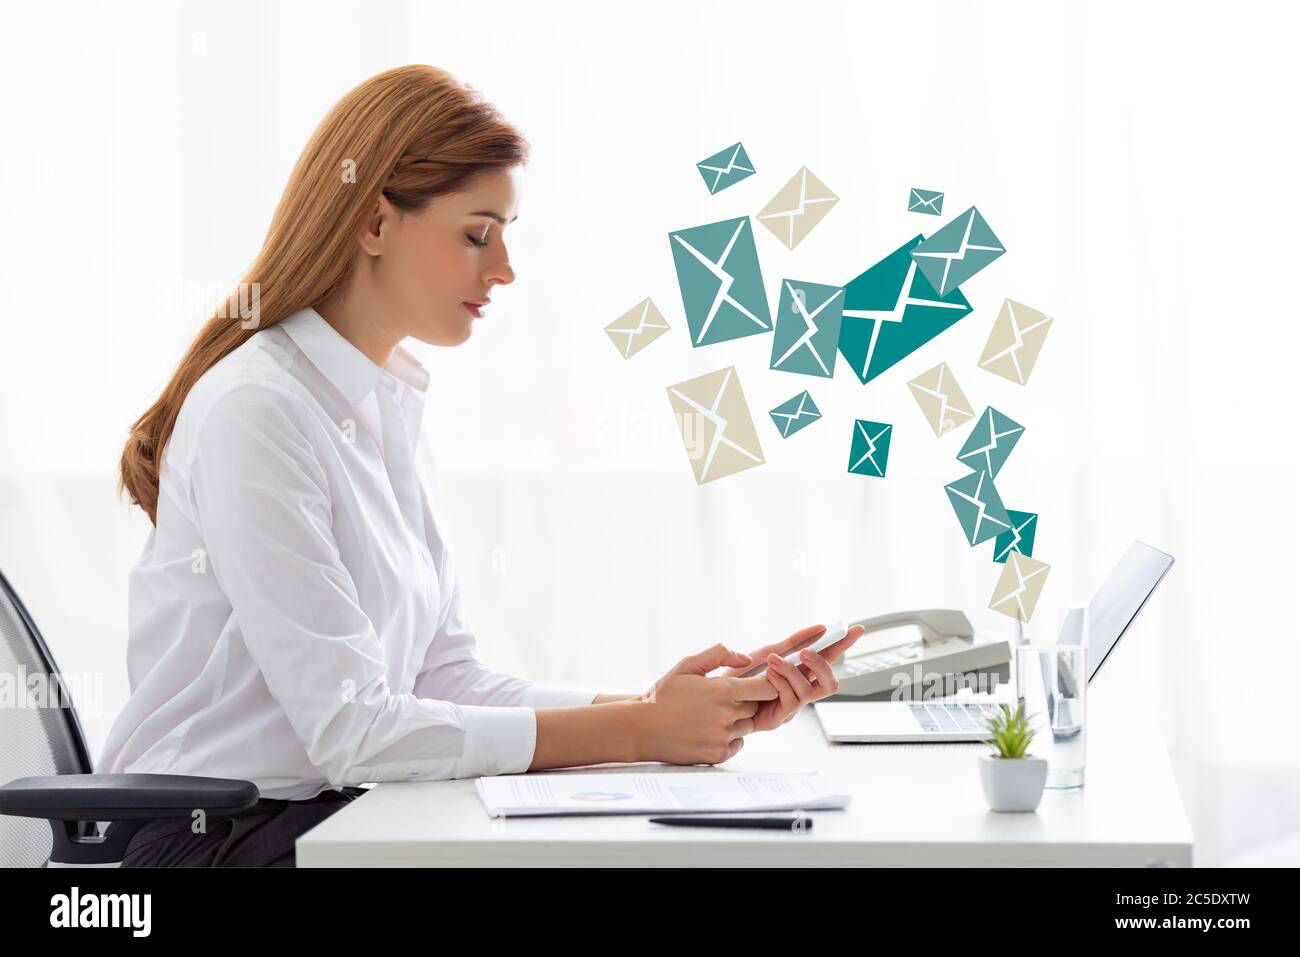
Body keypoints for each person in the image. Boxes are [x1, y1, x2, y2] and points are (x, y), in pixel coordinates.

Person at [101, 64, 864, 867]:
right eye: (477, 233)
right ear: (374, 223)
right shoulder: (258, 411)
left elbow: (446, 678)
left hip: (334, 813)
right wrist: (638, 729)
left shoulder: (380, 401)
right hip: (217, 838)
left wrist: (673, 710)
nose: (503, 269)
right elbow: (356, 731)